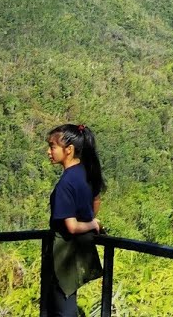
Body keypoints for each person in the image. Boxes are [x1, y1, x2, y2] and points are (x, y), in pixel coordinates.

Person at [46, 123, 106, 317]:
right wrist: (90, 219)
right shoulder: (87, 172)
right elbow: (96, 201)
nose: (49, 151)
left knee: (62, 306)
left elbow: (71, 227)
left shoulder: (65, 184)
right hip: (80, 249)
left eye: (52, 146)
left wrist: (91, 224)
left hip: (63, 253)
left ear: (69, 150)